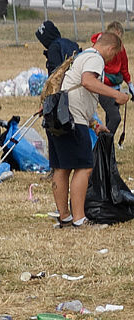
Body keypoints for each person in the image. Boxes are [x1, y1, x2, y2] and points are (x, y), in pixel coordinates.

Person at [51, 31, 128, 228]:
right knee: (84, 167)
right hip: (74, 121)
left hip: (60, 117)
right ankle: (79, 219)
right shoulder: (96, 59)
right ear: (111, 49)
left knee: (62, 168)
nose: (112, 59)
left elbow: (78, 92)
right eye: (114, 55)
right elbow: (87, 82)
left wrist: (94, 123)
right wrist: (115, 95)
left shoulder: (81, 56)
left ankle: (65, 217)